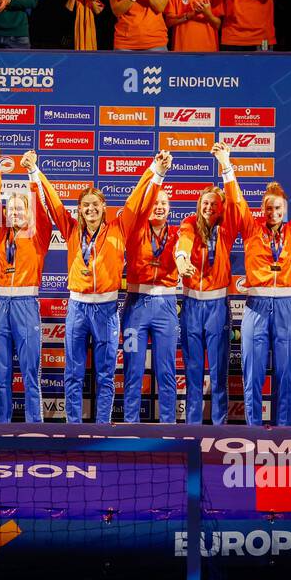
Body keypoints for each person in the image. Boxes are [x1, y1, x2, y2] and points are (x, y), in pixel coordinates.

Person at [32, 151, 167, 424]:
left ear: (104, 207)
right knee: (73, 372)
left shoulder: (119, 227)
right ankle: (73, 426)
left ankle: (103, 425)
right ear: (79, 209)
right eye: (85, 206)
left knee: (106, 373)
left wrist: (157, 170)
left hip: (106, 309)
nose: (90, 209)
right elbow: (53, 203)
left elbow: (138, 200)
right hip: (78, 308)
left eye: (95, 205)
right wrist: (34, 172)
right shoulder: (70, 229)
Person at [212, 142, 291, 428]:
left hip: (286, 306)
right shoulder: (252, 228)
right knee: (253, 372)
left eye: (278, 208)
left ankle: (284, 431)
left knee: (287, 373)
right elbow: (236, 199)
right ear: (262, 209)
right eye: (268, 208)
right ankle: (254, 430)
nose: (273, 212)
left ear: (285, 209)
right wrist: (226, 164)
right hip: (255, 305)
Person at [0, 147, 51, 423]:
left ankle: (35, 425)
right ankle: (3, 426)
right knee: (2, 375)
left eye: (19, 209)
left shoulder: (38, 235)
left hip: (25, 306)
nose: (14, 213)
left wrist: (32, 171)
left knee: (30, 372)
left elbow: (43, 202)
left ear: (29, 213)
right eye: (10, 209)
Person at [121, 165, 180, 422]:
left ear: (170, 208)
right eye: (155, 202)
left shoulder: (179, 234)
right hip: (136, 305)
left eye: (164, 203)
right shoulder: (135, 229)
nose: (159, 206)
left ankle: (168, 427)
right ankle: (130, 425)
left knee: (165, 370)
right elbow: (140, 201)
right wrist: (157, 175)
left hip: (166, 305)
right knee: (133, 369)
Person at [175, 188, 237, 424]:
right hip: (191, 305)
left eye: (214, 204)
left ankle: (220, 428)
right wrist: (181, 260)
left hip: (217, 306)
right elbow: (184, 241)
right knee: (193, 372)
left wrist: (226, 164)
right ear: (199, 204)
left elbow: (234, 201)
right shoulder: (190, 223)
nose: (209, 208)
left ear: (221, 208)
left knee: (219, 373)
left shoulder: (226, 228)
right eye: (205, 203)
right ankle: (193, 427)